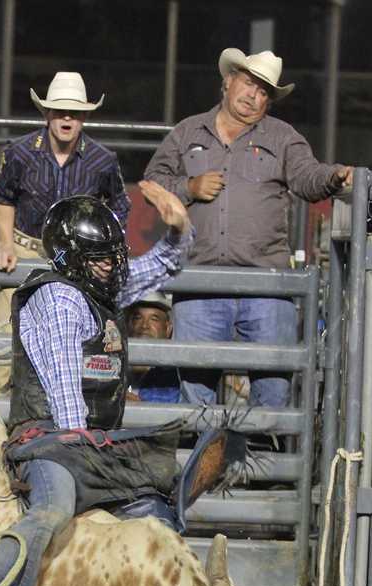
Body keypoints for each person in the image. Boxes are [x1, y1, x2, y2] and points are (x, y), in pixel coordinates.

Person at [0, 183, 189, 586]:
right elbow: (64, 391)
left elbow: (162, 263)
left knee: (161, 516)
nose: (113, 266)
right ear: (74, 258)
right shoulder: (57, 299)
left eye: (113, 257)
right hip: (50, 439)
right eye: (102, 258)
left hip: (93, 445)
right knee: (52, 510)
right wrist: (94, 459)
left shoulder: (102, 285)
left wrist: (178, 228)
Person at [143, 48, 353, 408]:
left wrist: (334, 176)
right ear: (228, 81)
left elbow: (307, 176)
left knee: (272, 392)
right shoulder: (187, 131)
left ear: (268, 101)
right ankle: (204, 460)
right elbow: (152, 182)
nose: (253, 95)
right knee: (196, 393)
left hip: (267, 286)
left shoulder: (284, 137)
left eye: (263, 91)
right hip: (200, 281)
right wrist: (189, 188)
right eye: (249, 83)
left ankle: (263, 461)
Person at [0, 71, 131, 394]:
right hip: (24, 249)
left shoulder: (103, 161)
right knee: (2, 344)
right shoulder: (20, 152)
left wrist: (103, 254)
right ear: (47, 114)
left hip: (78, 259)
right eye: (60, 111)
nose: (67, 118)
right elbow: (2, 197)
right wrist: (5, 243)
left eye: (74, 112)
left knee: (74, 342)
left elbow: (119, 206)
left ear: (83, 117)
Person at [125, 291, 181, 404]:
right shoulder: (113, 368)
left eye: (154, 319)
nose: (144, 326)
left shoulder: (175, 378)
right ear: (127, 325)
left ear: (168, 329)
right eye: (138, 318)